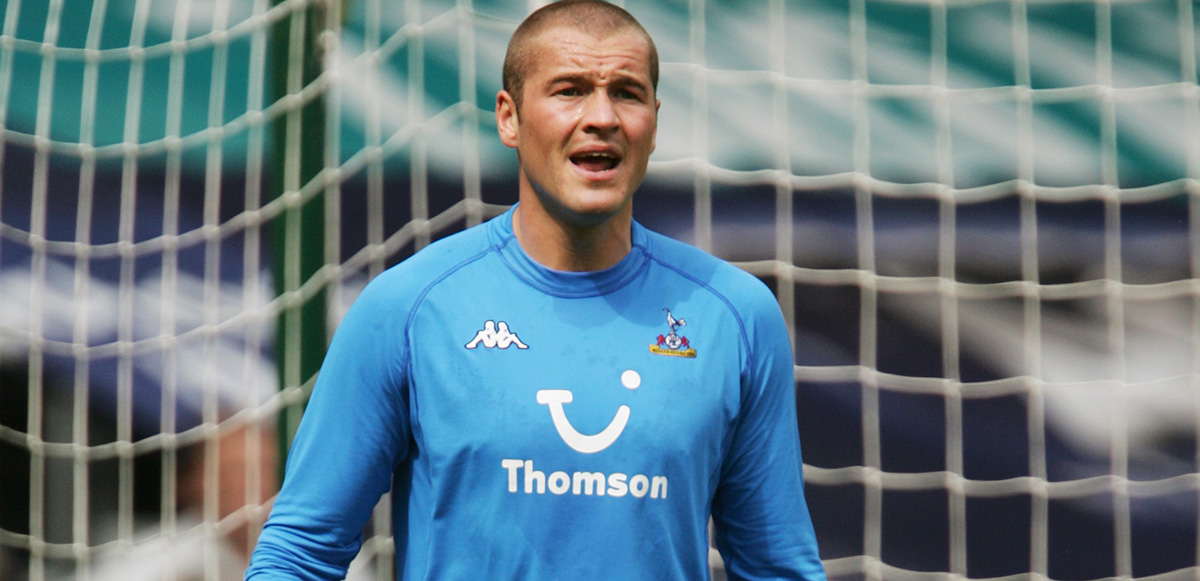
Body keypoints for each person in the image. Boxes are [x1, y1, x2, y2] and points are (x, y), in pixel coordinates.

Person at [244, 0, 825, 579]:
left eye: (626, 93)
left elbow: (778, 568)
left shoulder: (734, 314)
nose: (602, 117)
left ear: (653, 120)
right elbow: (298, 554)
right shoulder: (408, 307)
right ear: (509, 118)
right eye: (571, 90)